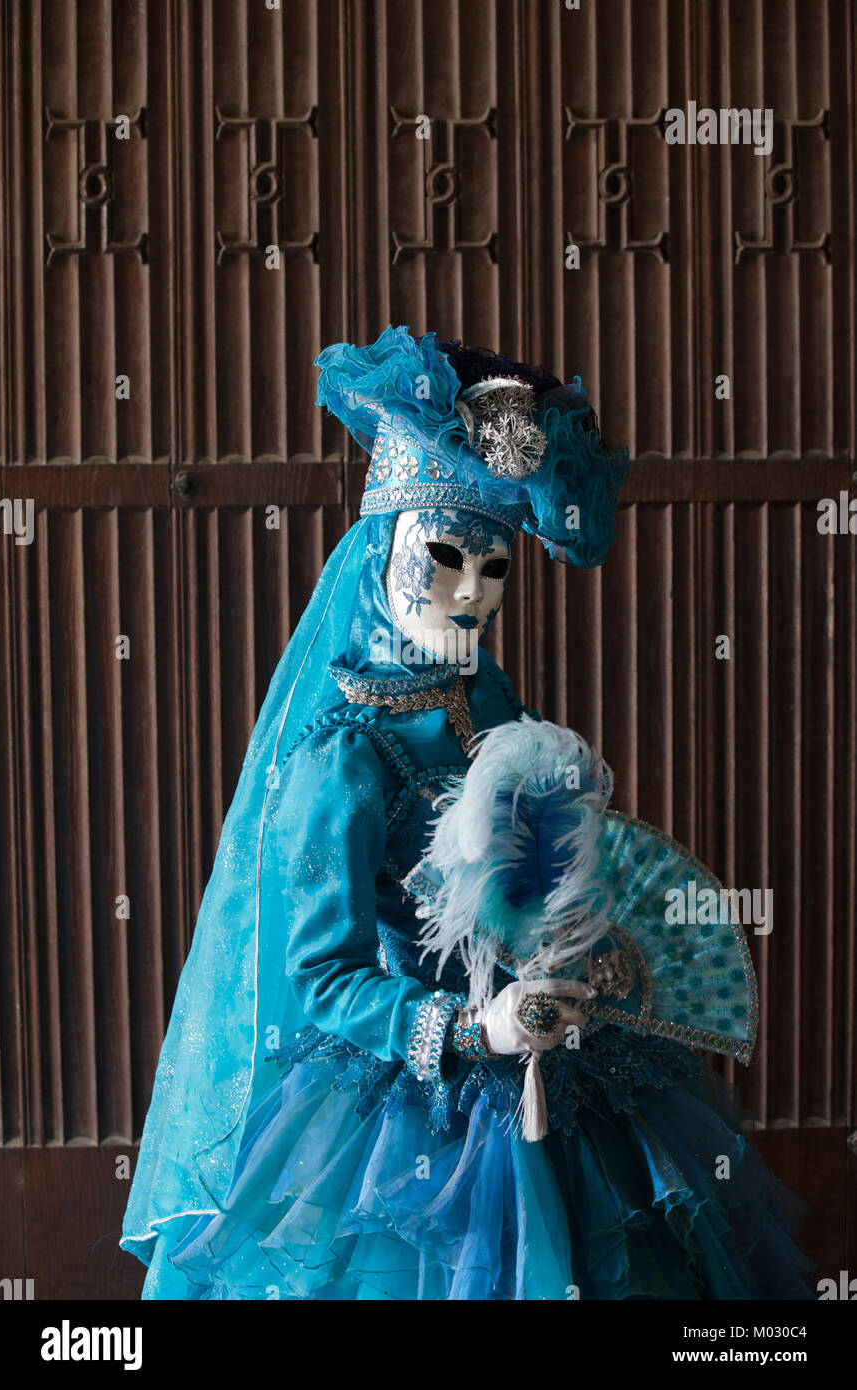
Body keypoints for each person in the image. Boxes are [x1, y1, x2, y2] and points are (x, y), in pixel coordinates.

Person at [121, 325, 814, 1300]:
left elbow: (537, 876)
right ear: (379, 549)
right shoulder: (340, 745)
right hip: (407, 1104)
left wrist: (585, 948)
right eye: (442, 555)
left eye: (492, 569)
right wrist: (469, 1029)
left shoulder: (488, 700)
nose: (467, 591)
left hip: (555, 1066)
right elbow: (316, 977)